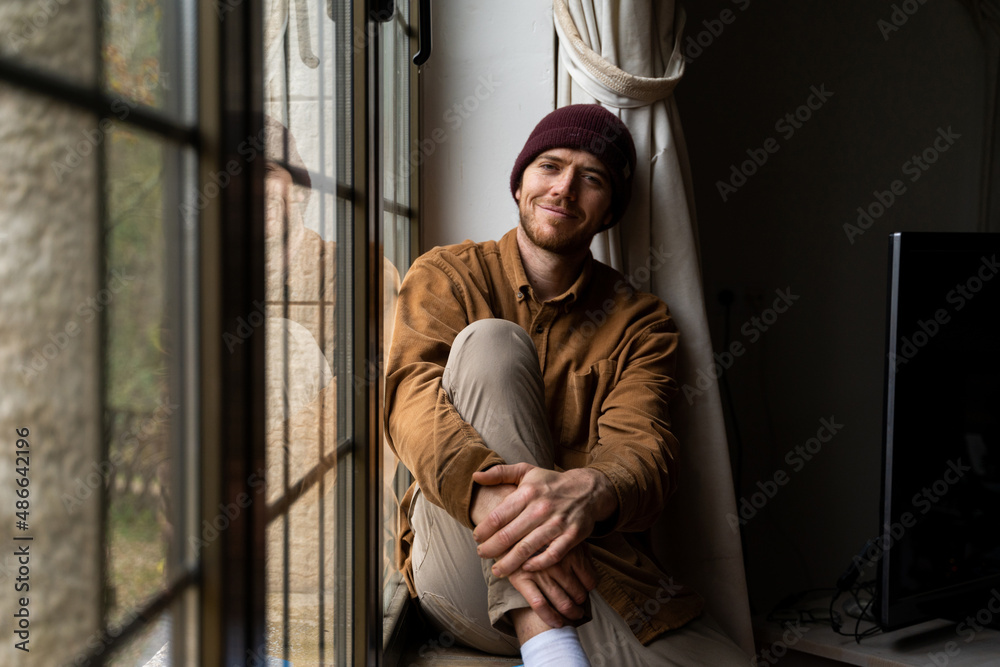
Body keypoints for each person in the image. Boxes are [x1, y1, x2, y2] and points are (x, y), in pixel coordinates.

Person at [384, 104, 749, 666]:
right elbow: (408, 402)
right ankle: (550, 646)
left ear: (611, 210)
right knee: (491, 344)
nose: (564, 189)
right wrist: (496, 501)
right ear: (521, 180)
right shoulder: (447, 275)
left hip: (591, 566)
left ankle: (552, 643)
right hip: (460, 557)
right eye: (549, 166)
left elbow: (644, 448)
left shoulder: (641, 322)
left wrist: (595, 489)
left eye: (592, 178)